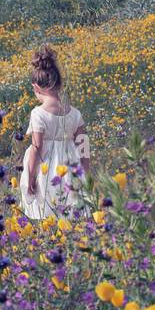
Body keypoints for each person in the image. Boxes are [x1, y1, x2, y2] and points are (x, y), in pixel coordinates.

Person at [20, 45, 90, 220]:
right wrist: (86, 175)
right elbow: (84, 147)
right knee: (72, 216)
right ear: (59, 84)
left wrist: (30, 178)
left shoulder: (38, 114)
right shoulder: (75, 114)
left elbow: (37, 148)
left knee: (48, 216)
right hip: (70, 169)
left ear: (36, 87)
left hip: (46, 171)